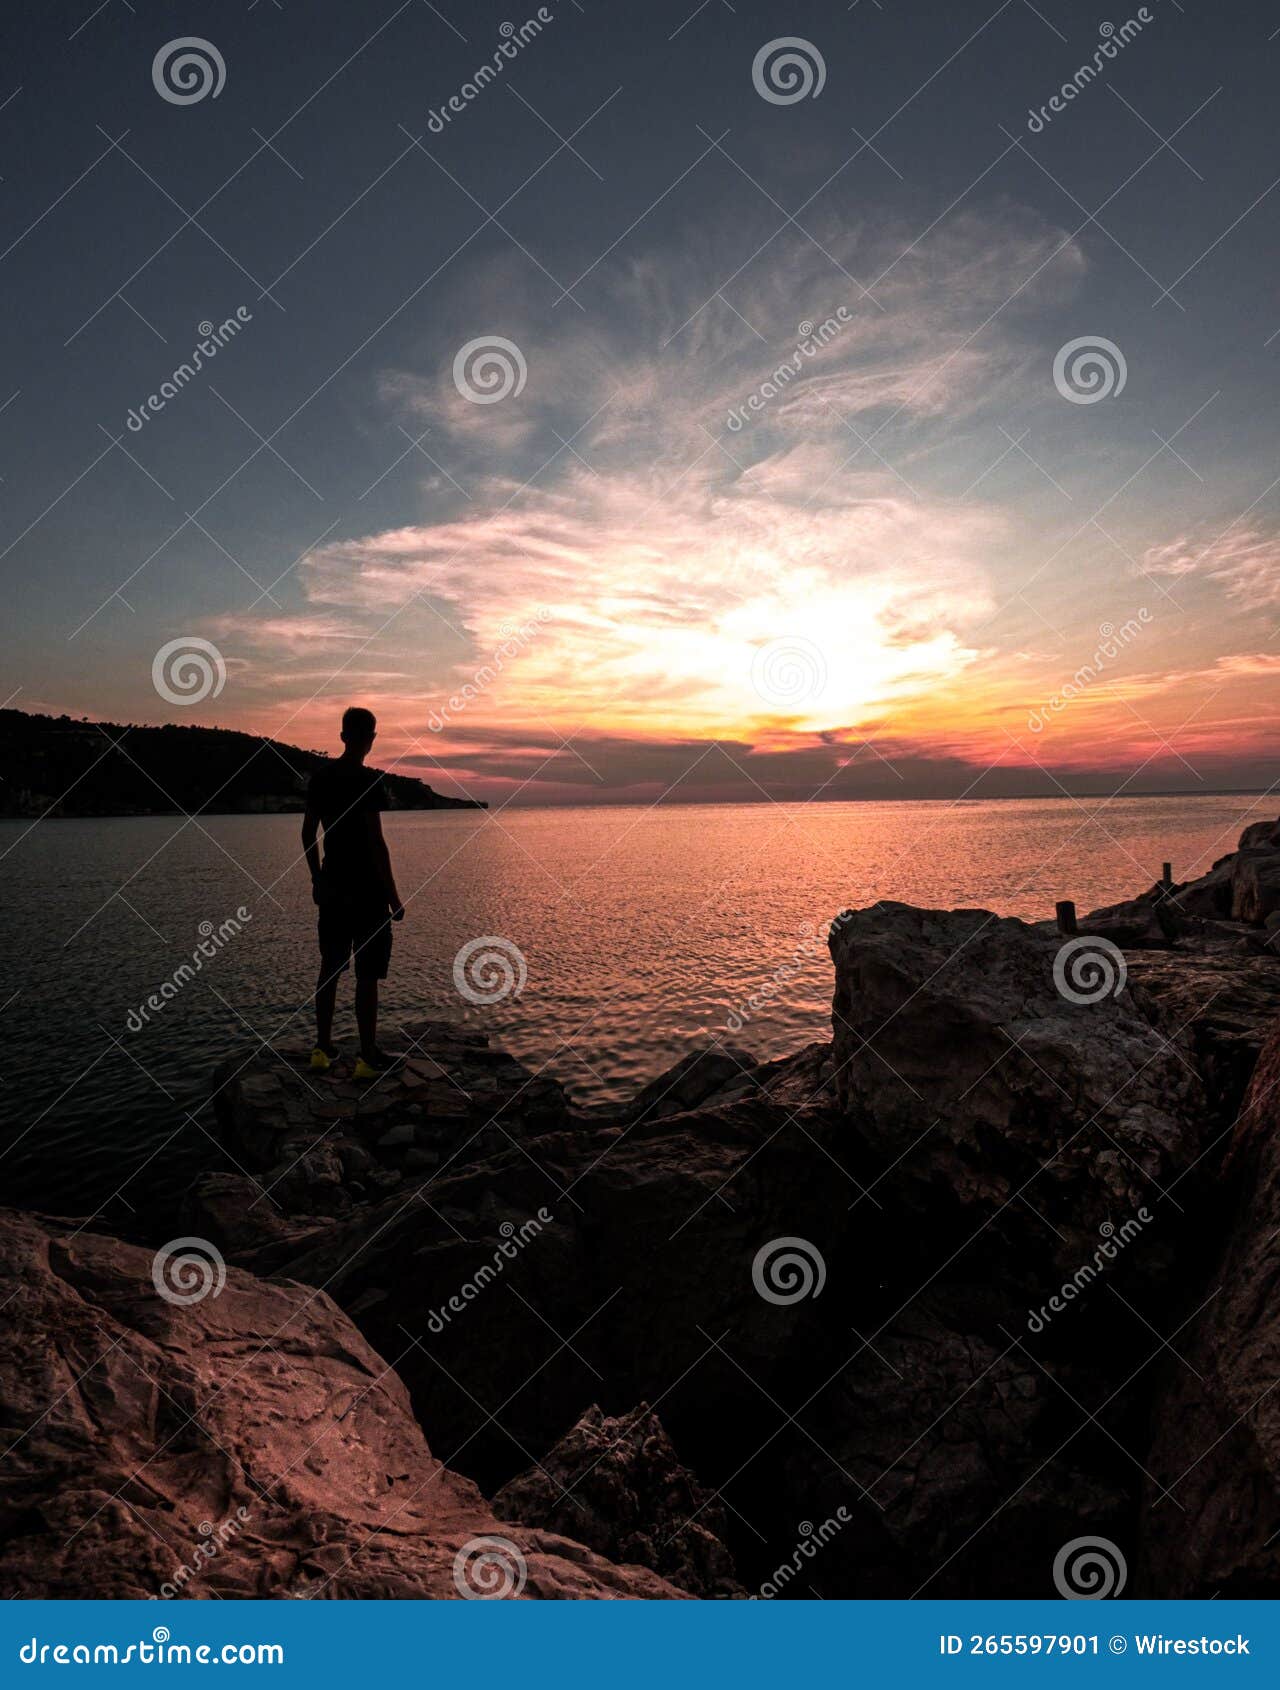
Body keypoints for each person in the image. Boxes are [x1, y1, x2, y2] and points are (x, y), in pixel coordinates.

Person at [301, 706, 404, 1079]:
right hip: (367, 891)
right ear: (370, 739)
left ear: (344, 736)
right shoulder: (368, 782)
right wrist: (393, 896)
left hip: (333, 887)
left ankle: (322, 1048)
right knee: (367, 974)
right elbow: (376, 843)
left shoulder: (322, 779)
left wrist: (317, 878)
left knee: (330, 968)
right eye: (371, 734)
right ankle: (366, 1056)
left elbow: (307, 832)